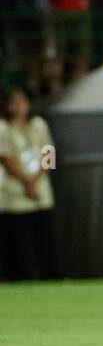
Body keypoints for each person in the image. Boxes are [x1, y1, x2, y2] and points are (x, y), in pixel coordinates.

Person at [0, 88, 57, 280]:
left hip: (41, 191)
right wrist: (27, 181)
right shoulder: (3, 128)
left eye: (22, 101)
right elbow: (6, 159)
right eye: (14, 102)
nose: (19, 106)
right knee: (21, 242)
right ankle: (25, 277)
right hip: (15, 194)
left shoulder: (38, 125)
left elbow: (49, 152)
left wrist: (37, 179)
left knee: (45, 239)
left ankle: (50, 276)